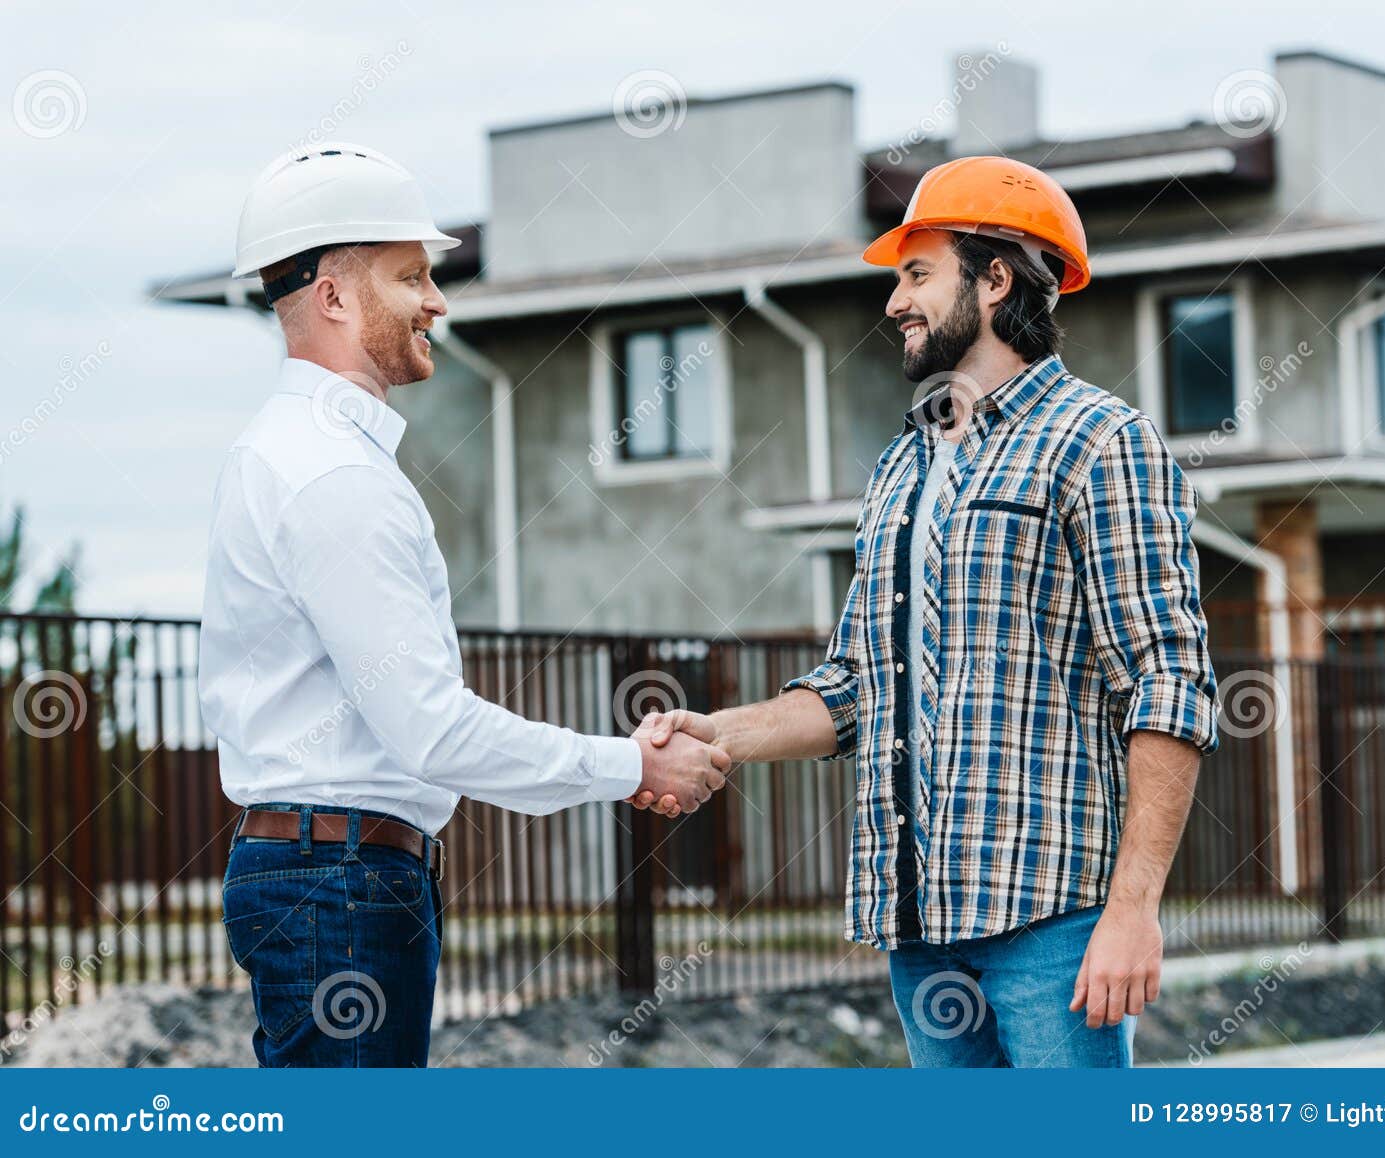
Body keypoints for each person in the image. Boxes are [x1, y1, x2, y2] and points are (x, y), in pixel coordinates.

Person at [636, 156, 1218, 1068]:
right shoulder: (900, 470)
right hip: (921, 924)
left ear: (995, 278)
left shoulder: (1101, 442)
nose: (894, 302)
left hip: (1053, 921)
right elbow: (855, 688)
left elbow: (1168, 679)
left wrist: (1135, 908)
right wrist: (715, 734)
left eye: (917, 273)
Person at [199, 143, 728, 1067]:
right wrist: (627, 764)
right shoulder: (329, 474)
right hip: (341, 882)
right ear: (332, 295)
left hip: (339, 876)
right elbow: (430, 731)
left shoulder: (303, 453)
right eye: (411, 277)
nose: (438, 302)